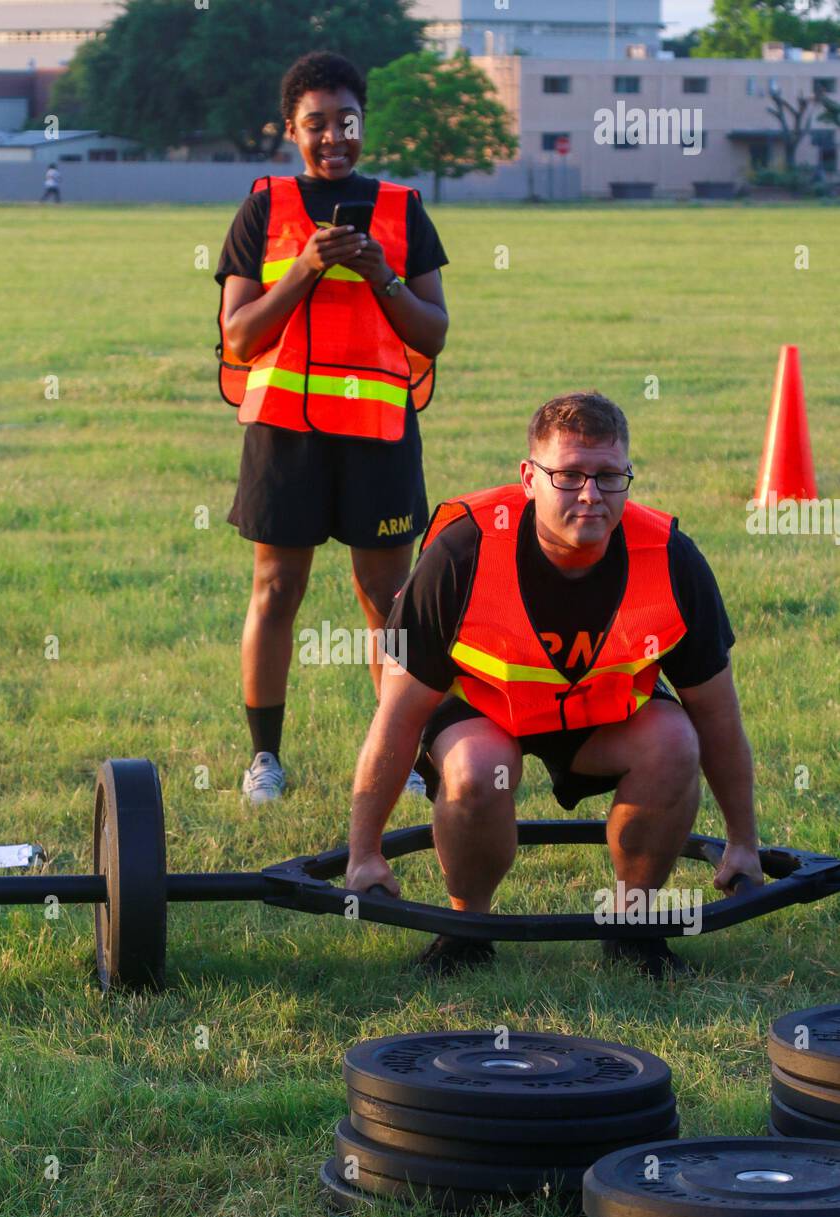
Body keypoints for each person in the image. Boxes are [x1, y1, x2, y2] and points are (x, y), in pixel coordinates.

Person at [344, 391, 765, 977]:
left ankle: (634, 925)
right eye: (568, 475)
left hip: (601, 719)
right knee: (475, 771)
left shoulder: (669, 557)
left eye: (609, 476)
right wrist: (364, 852)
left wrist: (743, 839)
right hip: (485, 714)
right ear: (529, 478)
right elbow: (397, 717)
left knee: (675, 742)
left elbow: (717, 715)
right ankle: (468, 929)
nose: (590, 495)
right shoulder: (462, 552)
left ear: (628, 476)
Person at [215, 50, 449, 804]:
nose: (332, 136)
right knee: (276, 589)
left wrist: (380, 271)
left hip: (377, 436)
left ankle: (402, 756)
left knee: (390, 603)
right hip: (285, 436)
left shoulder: (403, 210)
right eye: (315, 124)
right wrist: (305, 268)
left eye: (345, 121)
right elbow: (240, 337)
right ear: (290, 130)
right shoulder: (264, 208)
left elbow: (434, 332)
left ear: (362, 124)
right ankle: (265, 761)